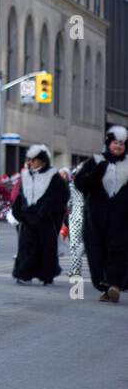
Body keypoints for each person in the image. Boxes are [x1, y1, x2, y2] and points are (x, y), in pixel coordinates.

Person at [72, 125, 128, 302]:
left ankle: (115, 285)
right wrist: (96, 173)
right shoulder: (95, 161)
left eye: (121, 143)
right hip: (96, 219)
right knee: (97, 253)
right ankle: (105, 287)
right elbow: (79, 183)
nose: (118, 146)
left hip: (121, 219)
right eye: (115, 143)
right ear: (108, 143)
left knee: (119, 251)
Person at [11, 144, 67, 286]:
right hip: (27, 219)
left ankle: (47, 275)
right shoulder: (26, 176)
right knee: (26, 248)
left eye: (33, 160)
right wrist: (18, 212)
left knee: (46, 249)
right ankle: (24, 274)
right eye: (29, 160)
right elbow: (20, 196)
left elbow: (61, 198)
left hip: (45, 220)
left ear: (43, 160)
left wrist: (46, 212)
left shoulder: (54, 177)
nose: (30, 163)